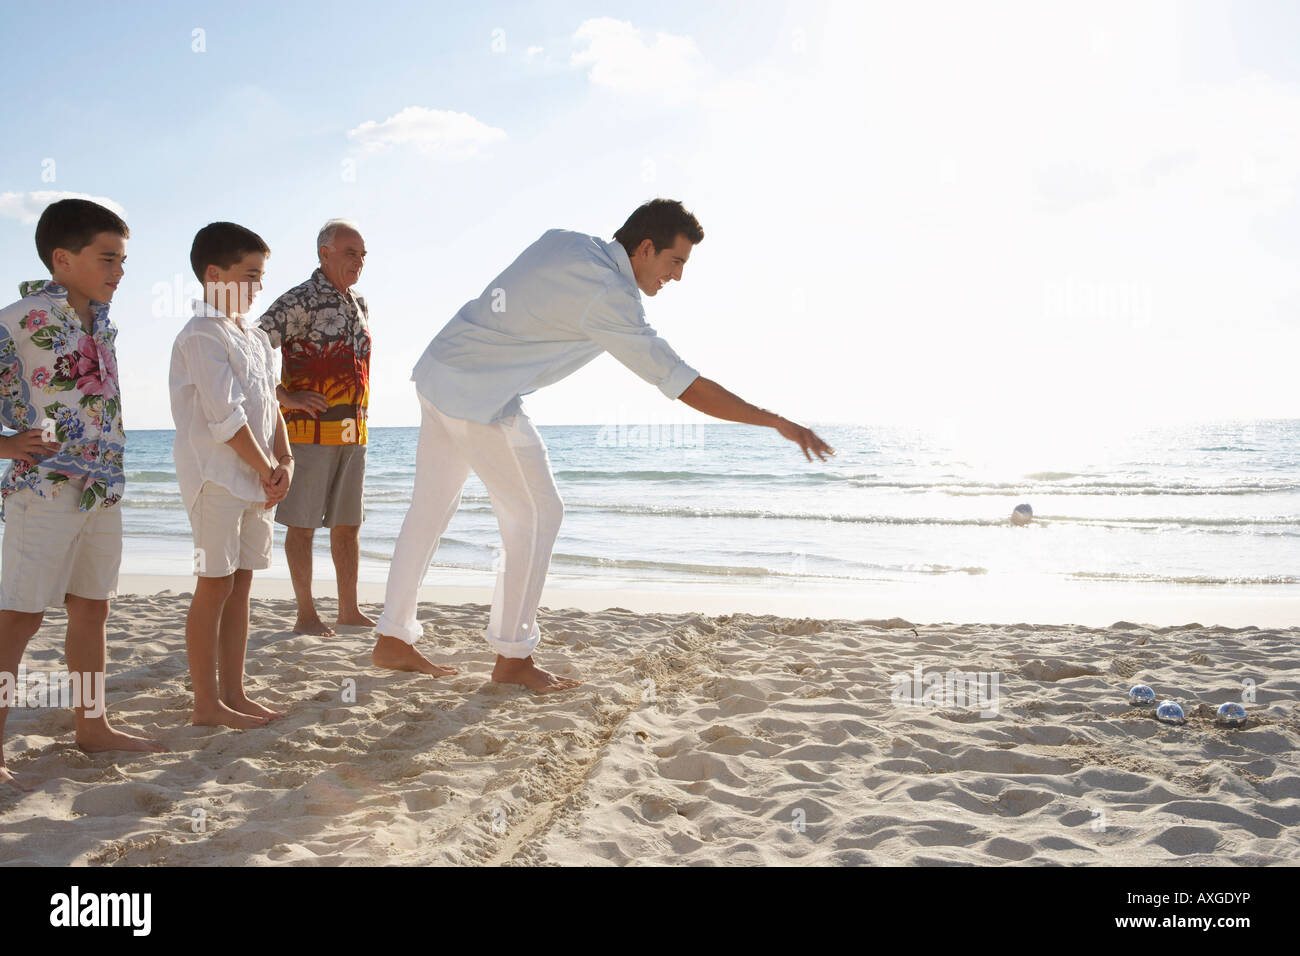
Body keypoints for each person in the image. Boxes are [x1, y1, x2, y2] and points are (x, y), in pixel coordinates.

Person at [373, 199, 834, 693]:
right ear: (645, 248)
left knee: (430, 509)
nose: (676, 277)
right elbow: (684, 384)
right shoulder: (610, 297)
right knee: (538, 513)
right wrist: (773, 421)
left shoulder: (564, 240)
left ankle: (393, 638)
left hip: (436, 372)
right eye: (674, 262)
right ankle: (512, 655)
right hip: (478, 396)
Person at [0, 198, 164, 787]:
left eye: (122, 261)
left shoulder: (103, 321)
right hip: (41, 489)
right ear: (62, 258)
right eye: (108, 259)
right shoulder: (18, 318)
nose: (119, 272)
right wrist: (5, 445)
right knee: (17, 618)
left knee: (93, 608)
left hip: (103, 489)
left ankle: (92, 725)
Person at [170, 222, 293, 729]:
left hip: (257, 480)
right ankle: (206, 703)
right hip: (216, 478)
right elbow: (226, 417)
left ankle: (235, 693)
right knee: (214, 586)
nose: (259, 286)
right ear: (214, 274)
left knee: (241, 585)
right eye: (250, 275)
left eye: (262, 276)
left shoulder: (257, 336)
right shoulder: (201, 333)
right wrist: (268, 469)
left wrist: (285, 461)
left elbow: (272, 406)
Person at [258, 220, 372, 636]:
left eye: (362, 254)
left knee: (348, 525)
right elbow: (252, 346)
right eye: (350, 252)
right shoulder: (299, 299)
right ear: (324, 253)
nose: (358, 261)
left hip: (352, 431)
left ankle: (348, 610)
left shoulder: (359, 302)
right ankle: (306, 614)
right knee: (302, 525)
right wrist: (283, 396)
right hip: (307, 434)